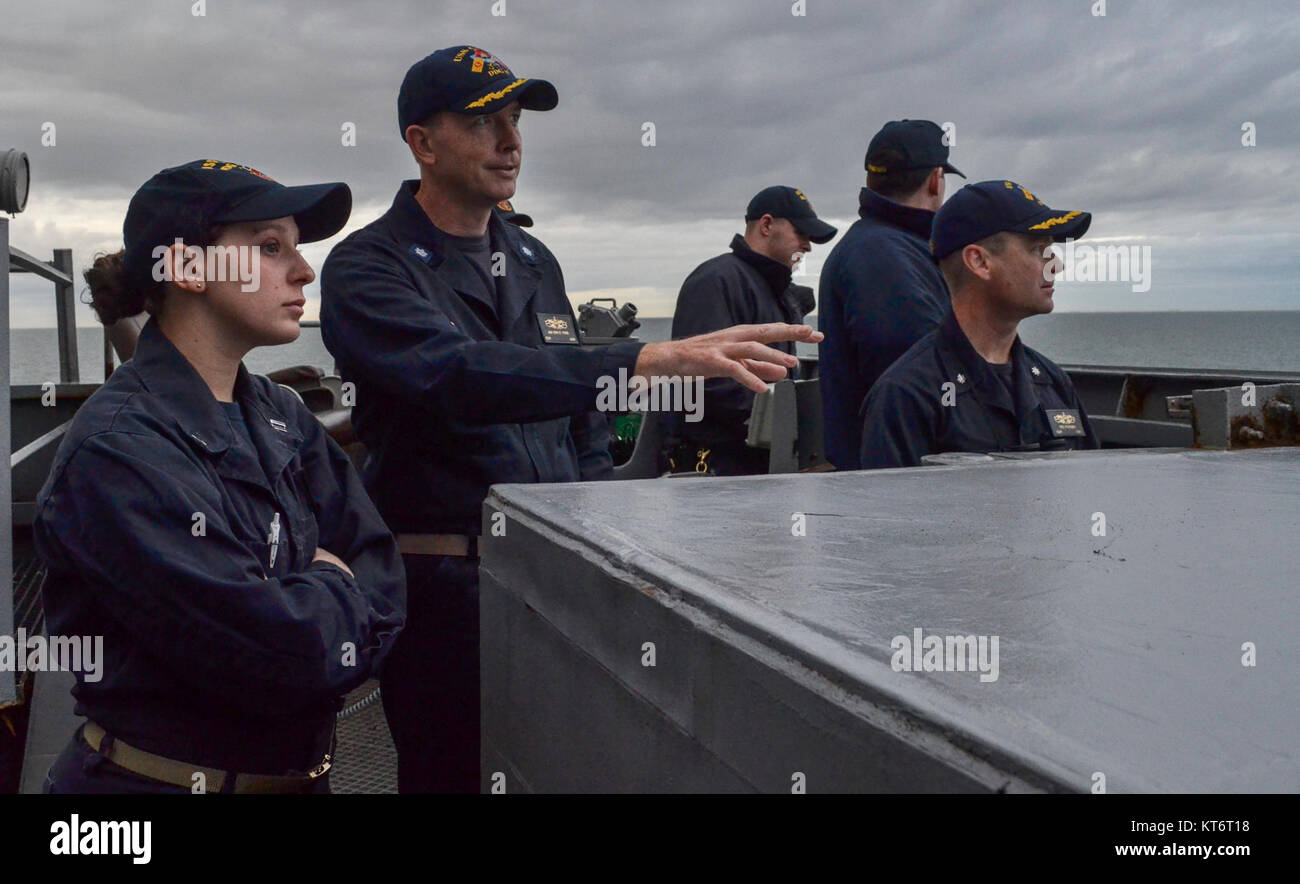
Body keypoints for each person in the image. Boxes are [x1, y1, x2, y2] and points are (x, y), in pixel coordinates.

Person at [319, 45, 821, 793]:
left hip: (555, 571)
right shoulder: (369, 267)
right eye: (484, 122)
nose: (511, 141)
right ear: (422, 142)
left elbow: (580, 419)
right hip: (447, 587)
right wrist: (640, 361)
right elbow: (455, 376)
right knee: (452, 772)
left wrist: (604, 536)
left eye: (515, 121)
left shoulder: (531, 259)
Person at [32, 160, 406, 793]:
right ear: (186, 268)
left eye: (295, 246)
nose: (304, 270)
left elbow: (382, 576)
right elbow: (280, 657)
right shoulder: (120, 450)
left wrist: (313, 602)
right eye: (268, 246)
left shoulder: (280, 413)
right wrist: (330, 580)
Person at [858, 180, 1101, 469]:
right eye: (1038, 249)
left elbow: (1086, 485)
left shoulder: (1052, 382)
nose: (1056, 265)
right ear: (979, 262)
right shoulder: (908, 395)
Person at [818, 119, 965, 470]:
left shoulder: (878, 246)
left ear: (871, 180)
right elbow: (920, 375)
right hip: (896, 483)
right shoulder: (882, 254)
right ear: (935, 181)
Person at [668, 186, 835, 475]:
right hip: (719, 469)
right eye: (802, 233)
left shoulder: (779, 291)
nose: (808, 246)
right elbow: (699, 379)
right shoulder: (713, 282)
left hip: (766, 466)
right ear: (767, 225)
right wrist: (787, 420)